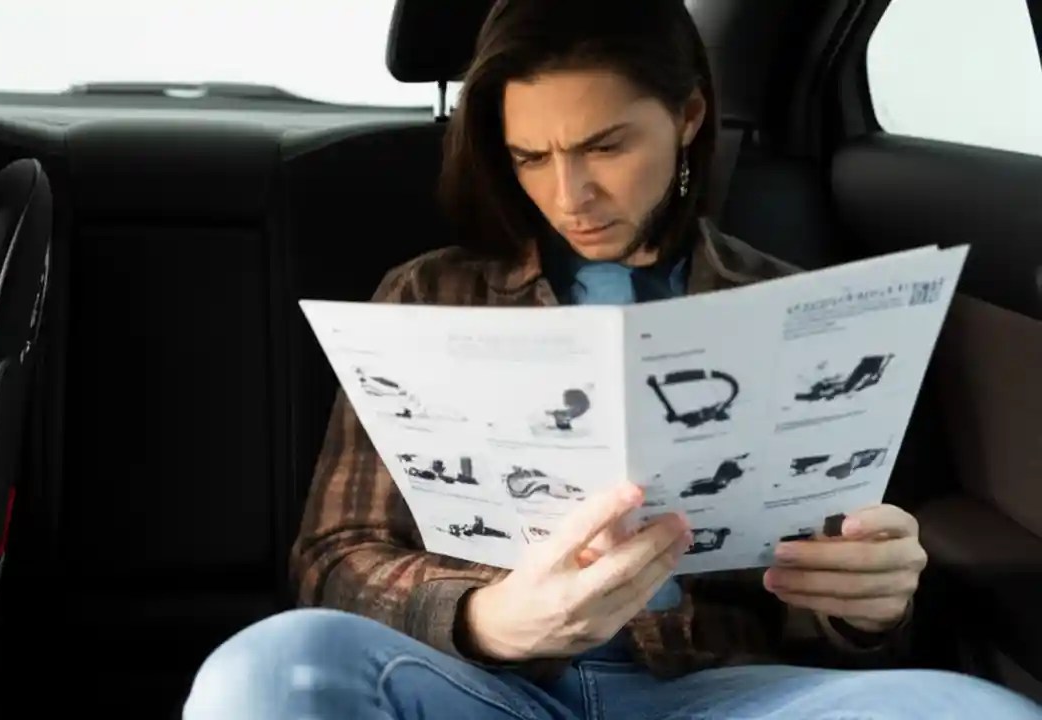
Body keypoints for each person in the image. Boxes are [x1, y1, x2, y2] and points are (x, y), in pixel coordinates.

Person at [181, 1, 1042, 718]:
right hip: (485, 688)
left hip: (720, 692)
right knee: (262, 673)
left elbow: (830, 597)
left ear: (689, 118)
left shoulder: (792, 305)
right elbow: (333, 559)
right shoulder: (427, 295)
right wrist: (490, 620)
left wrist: (871, 606)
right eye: (530, 157)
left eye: (604, 147)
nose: (569, 196)